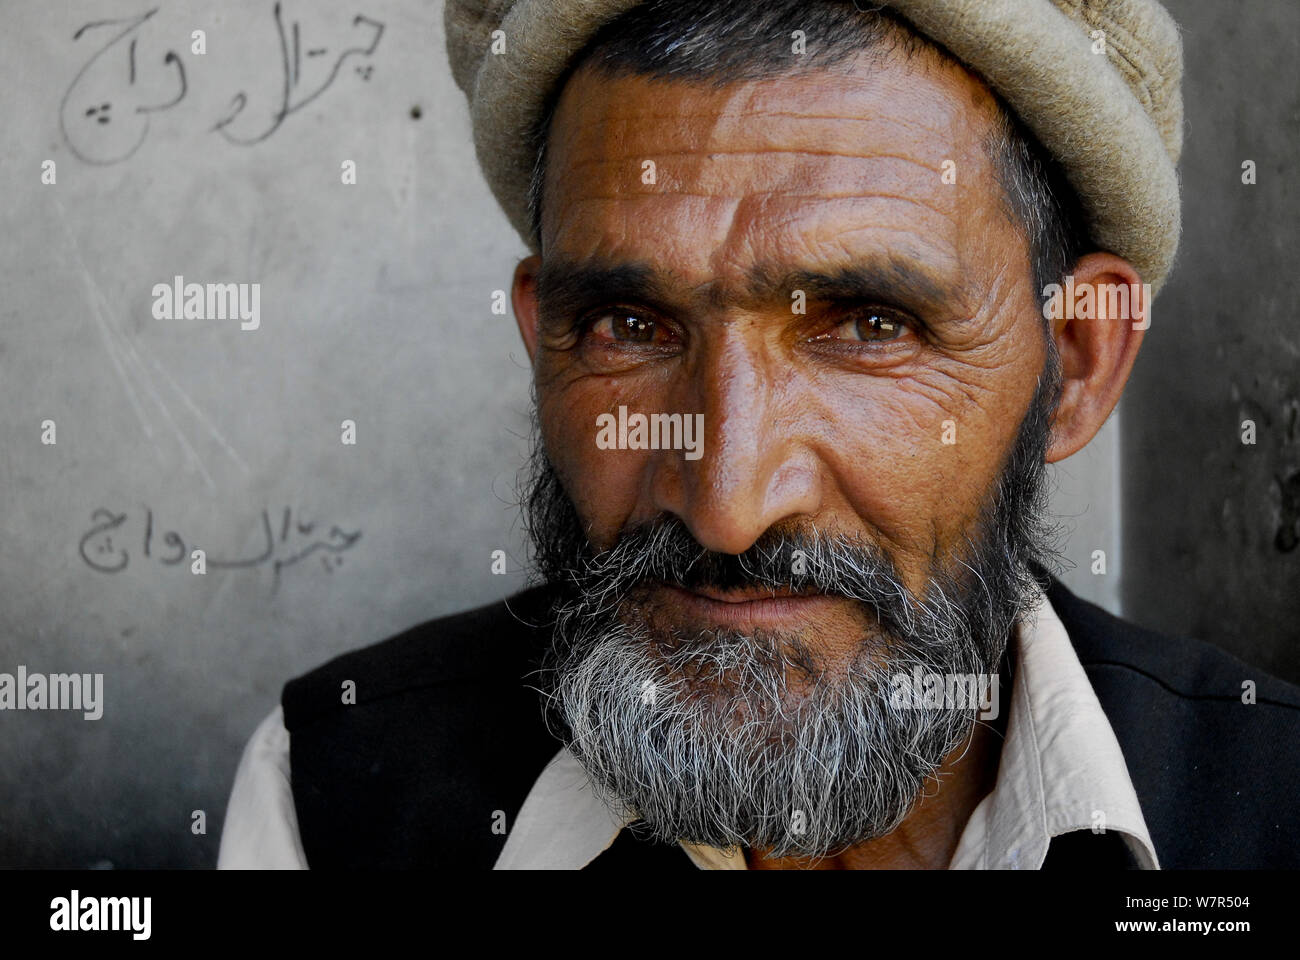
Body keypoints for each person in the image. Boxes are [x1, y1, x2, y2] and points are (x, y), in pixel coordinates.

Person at [218, 0, 1300, 870]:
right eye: (629, 326)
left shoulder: (1271, 805)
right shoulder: (337, 794)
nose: (728, 503)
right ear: (540, 338)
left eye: (870, 326)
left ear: (1074, 364)